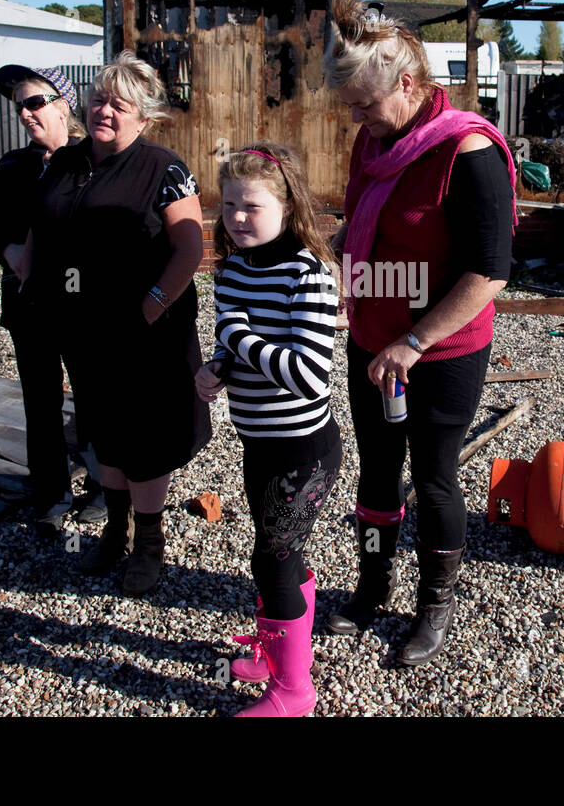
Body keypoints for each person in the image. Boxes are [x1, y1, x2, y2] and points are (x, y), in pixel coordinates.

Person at [322, 0, 517, 665]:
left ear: (408, 82)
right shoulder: (374, 139)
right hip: (373, 341)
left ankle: (433, 605)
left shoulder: (467, 153)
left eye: (365, 103)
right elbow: (367, 220)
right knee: (376, 472)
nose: (357, 117)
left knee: (432, 475)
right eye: (349, 104)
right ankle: (372, 583)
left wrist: (414, 341)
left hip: (436, 352)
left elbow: (489, 272)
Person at [32, 50, 211, 597]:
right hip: (85, 330)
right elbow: (45, 227)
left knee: (146, 438)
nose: (105, 110)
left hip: (146, 333)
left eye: (119, 103)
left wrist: (153, 304)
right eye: (99, 98)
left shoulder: (164, 168)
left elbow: (190, 246)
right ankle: (116, 528)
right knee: (103, 431)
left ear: (144, 116)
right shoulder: (66, 162)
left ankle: (149, 544)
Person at [194, 143, 341, 717]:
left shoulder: (310, 274)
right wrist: (216, 369)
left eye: (251, 206)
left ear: (287, 205)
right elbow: (235, 349)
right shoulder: (231, 270)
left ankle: (293, 692)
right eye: (228, 205)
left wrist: (235, 339)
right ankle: (276, 652)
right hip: (256, 440)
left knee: (272, 559)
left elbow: (308, 375)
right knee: (279, 551)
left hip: (303, 449)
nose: (235, 217)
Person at [0, 65, 102, 535]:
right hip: (29, 305)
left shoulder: (91, 161)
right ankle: (51, 492)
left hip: (80, 305)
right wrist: (9, 250)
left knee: (93, 397)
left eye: (34, 102)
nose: (25, 113)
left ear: (62, 104)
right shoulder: (14, 165)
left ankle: (101, 486)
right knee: (40, 400)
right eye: (20, 106)